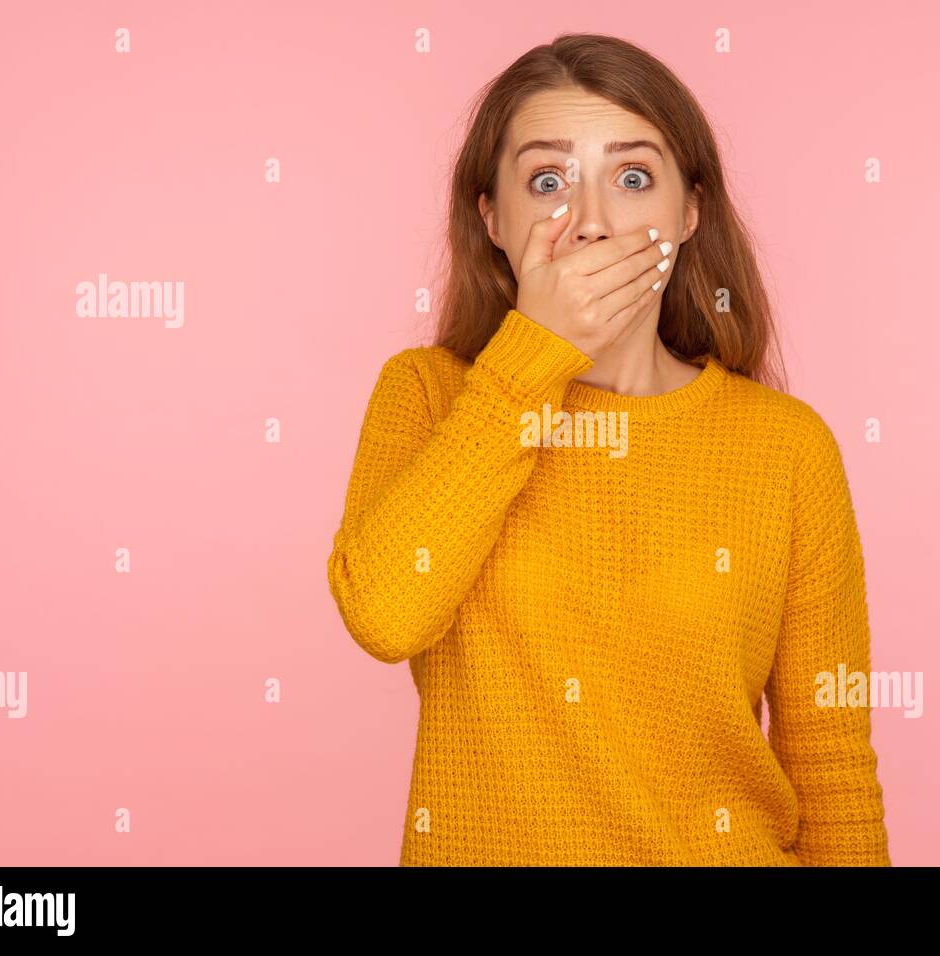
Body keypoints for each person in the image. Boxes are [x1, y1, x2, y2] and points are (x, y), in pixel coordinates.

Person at [327, 32, 892, 867]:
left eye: (632, 178)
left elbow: (832, 764)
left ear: (689, 211)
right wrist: (531, 359)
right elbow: (382, 613)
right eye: (547, 181)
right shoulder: (431, 397)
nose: (590, 222)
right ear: (492, 218)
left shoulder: (785, 446)